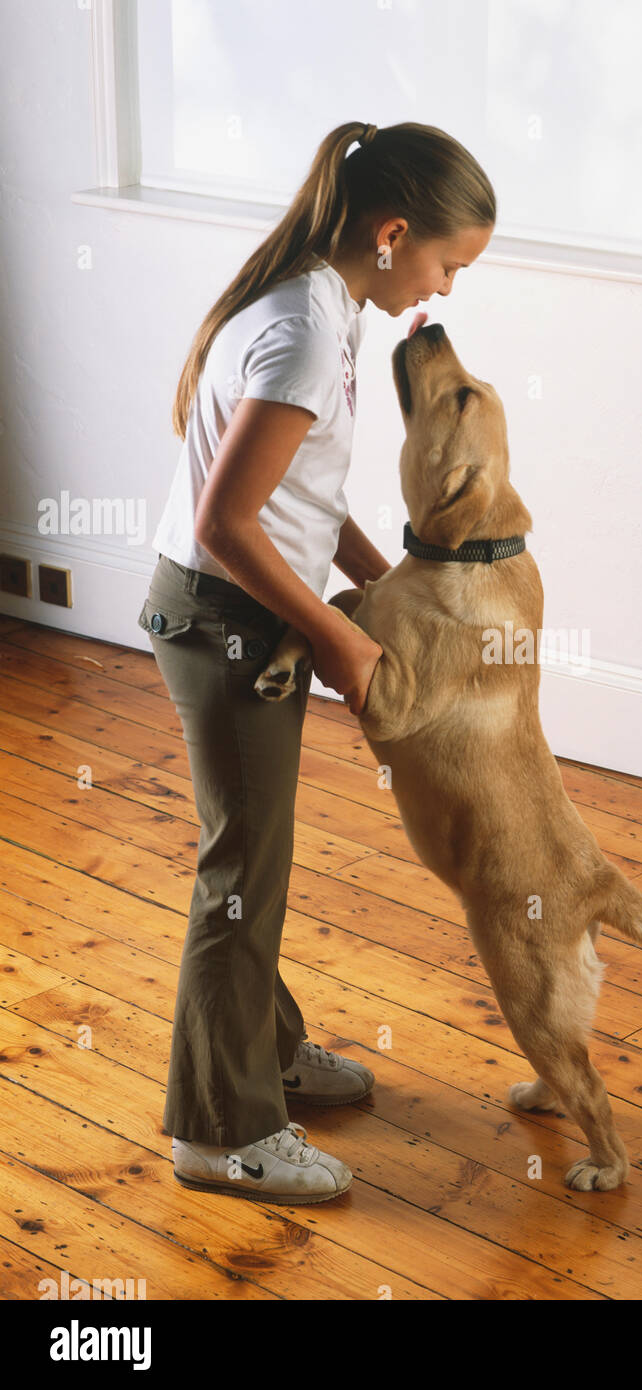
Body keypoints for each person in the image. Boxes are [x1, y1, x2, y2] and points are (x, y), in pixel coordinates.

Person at [139, 120, 496, 1204]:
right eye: (446, 265)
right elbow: (227, 524)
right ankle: (221, 1130)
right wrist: (342, 636)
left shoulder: (323, 303)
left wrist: (384, 580)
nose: (445, 290)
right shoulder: (302, 328)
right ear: (392, 235)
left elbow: (304, 491)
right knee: (237, 876)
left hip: (244, 617)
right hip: (225, 620)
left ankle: (267, 1056)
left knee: (260, 861)